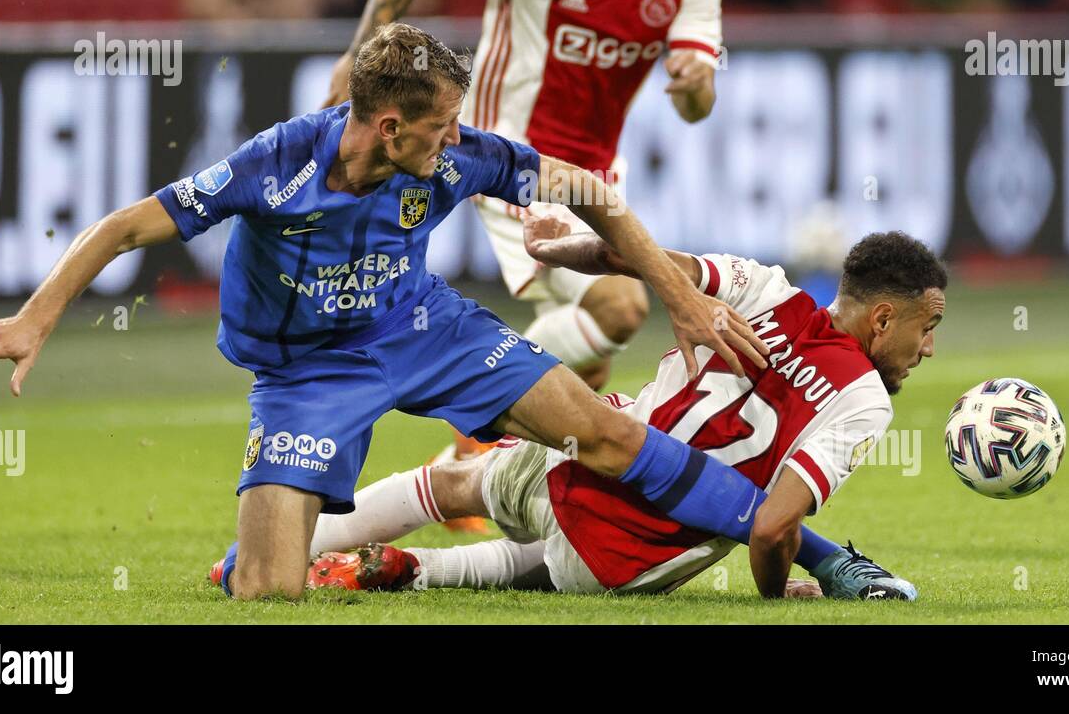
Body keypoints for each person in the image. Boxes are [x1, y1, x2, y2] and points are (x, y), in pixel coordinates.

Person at [0, 23, 778, 602]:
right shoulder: (275, 162)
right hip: (307, 372)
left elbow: (590, 191)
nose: (456, 141)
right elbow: (125, 226)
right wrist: (35, 320)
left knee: (603, 432)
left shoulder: (458, 158)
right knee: (268, 589)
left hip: (423, 330)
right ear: (387, 127)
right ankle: (267, 539)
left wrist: (682, 299)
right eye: (442, 128)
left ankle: (808, 551)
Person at [305, 217, 946, 600]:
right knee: (552, 568)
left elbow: (633, 257)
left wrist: (564, 247)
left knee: (453, 484)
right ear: (884, 317)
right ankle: (416, 571)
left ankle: (275, 547)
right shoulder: (861, 398)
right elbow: (773, 528)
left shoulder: (766, 287)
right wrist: (778, 593)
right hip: (625, 558)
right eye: (927, 328)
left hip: (577, 455)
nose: (930, 349)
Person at [321, 0, 721, 393]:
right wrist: (358, 55)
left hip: (595, 175)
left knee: (589, 375)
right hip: (514, 158)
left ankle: (483, 460)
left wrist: (696, 84)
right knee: (622, 308)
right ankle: (467, 402)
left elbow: (696, 109)